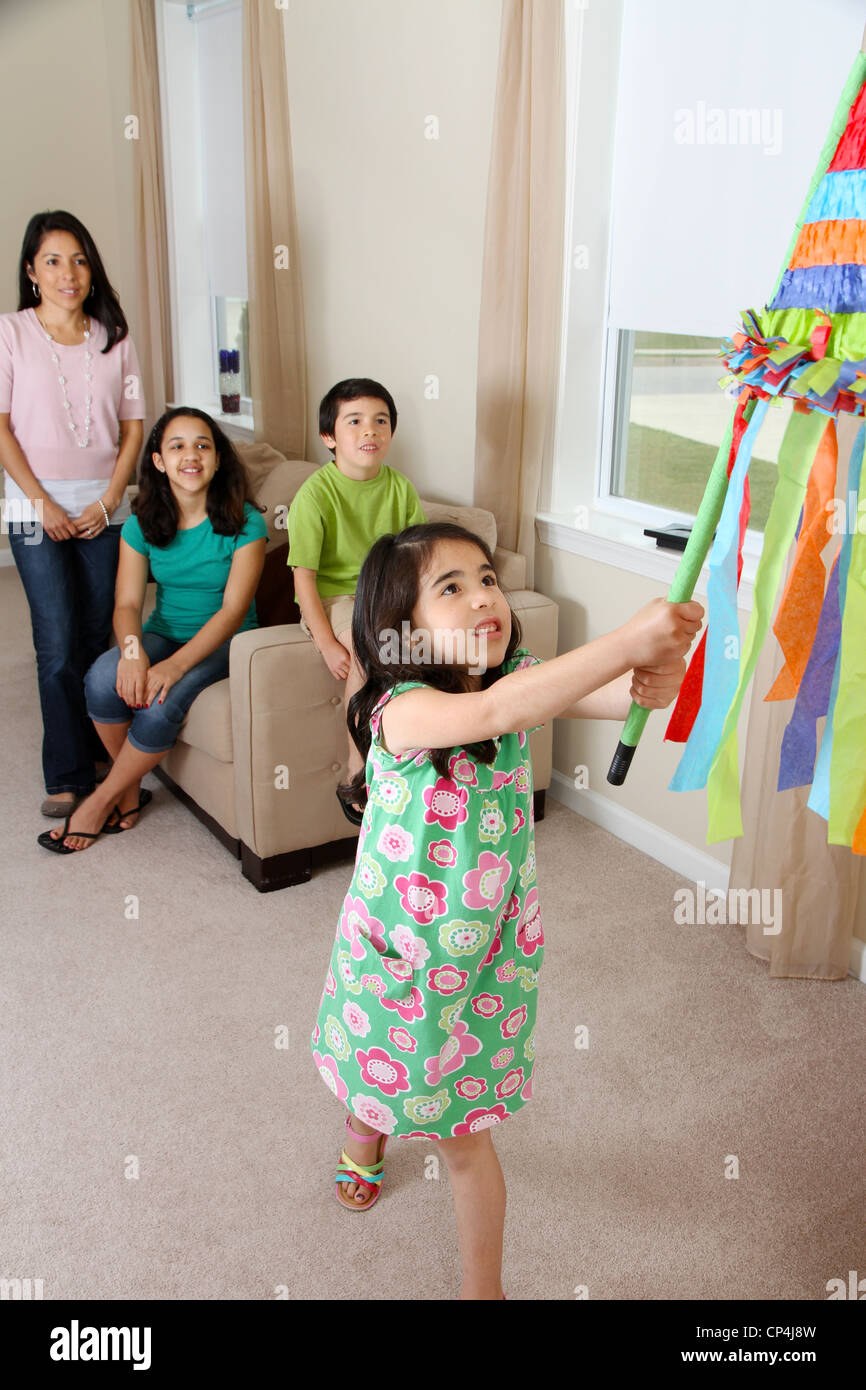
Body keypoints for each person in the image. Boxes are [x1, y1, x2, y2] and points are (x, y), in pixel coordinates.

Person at [310, 521, 704, 1300]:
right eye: (450, 588)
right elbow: (497, 715)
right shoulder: (400, 709)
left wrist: (656, 674)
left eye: (487, 578)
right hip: (401, 949)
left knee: (461, 1121)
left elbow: (596, 693)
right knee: (381, 1069)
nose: (483, 596)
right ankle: (374, 1141)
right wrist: (626, 639)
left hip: (489, 951)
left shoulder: (515, 675)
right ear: (402, 631)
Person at [37, 408, 267, 853]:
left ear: (218, 458)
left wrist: (174, 667)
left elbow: (233, 612)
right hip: (164, 629)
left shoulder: (247, 523)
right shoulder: (142, 523)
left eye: (203, 445)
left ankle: (103, 799)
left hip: (226, 640)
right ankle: (129, 789)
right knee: (102, 678)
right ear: (159, 461)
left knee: (161, 704)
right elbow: (125, 603)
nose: (191, 456)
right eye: (177, 446)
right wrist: (131, 651)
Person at [0, 210, 145, 816]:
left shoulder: (115, 337)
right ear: (32, 271)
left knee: (94, 637)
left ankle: (97, 754)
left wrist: (110, 500)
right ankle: (64, 773)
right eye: (54, 260)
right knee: (56, 642)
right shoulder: (10, 333)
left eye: (79, 259)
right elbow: (1, 427)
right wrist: (42, 503)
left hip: (102, 509)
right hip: (35, 509)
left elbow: (134, 429)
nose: (69, 273)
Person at [287, 378, 425, 823]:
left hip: (387, 591)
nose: (370, 431)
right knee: (367, 651)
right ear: (329, 437)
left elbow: (417, 559)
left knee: (437, 644)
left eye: (380, 421)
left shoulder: (401, 489)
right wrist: (328, 643)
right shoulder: (315, 494)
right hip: (335, 597)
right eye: (355, 422)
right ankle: (356, 766)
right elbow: (304, 579)